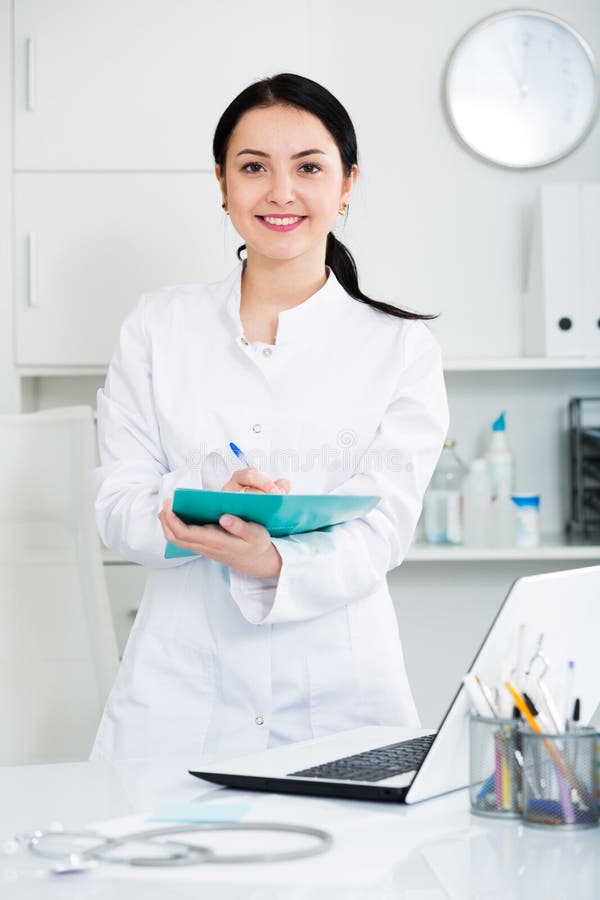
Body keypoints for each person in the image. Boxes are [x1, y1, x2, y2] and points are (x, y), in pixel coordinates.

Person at [91, 73, 449, 762]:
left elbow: (382, 528)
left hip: (341, 694)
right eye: (253, 167)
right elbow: (117, 504)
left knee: (348, 867)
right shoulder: (158, 325)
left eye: (309, 168)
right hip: (180, 690)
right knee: (160, 866)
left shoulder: (400, 348)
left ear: (346, 185)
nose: (280, 191)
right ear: (222, 184)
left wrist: (274, 558)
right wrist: (204, 513)